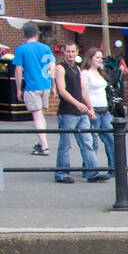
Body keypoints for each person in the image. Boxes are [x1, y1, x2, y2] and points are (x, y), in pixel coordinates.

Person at [53, 41, 103, 184]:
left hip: (81, 113)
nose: (70, 54)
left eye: (73, 51)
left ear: (77, 53)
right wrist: (77, 104)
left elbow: (82, 91)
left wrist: (89, 108)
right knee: (65, 144)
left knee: (87, 142)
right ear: (64, 52)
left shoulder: (77, 68)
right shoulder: (60, 68)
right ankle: (61, 173)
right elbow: (62, 91)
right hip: (68, 112)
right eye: (68, 51)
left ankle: (93, 172)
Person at [12, 22, 54, 157]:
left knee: (36, 115)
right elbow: (52, 67)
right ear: (37, 34)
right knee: (41, 115)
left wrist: (18, 89)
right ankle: (42, 142)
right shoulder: (46, 48)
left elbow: (18, 71)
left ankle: (45, 146)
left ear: (24, 35)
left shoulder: (21, 49)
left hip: (32, 86)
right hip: (45, 85)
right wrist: (53, 85)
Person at [81, 47, 116, 176]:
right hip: (94, 109)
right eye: (97, 57)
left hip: (105, 110)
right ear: (90, 59)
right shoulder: (85, 73)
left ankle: (113, 169)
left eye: (101, 57)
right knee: (93, 141)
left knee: (110, 139)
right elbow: (83, 91)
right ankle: (89, 169)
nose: (100, 60)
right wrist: (89, 108)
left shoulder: (101, 72)